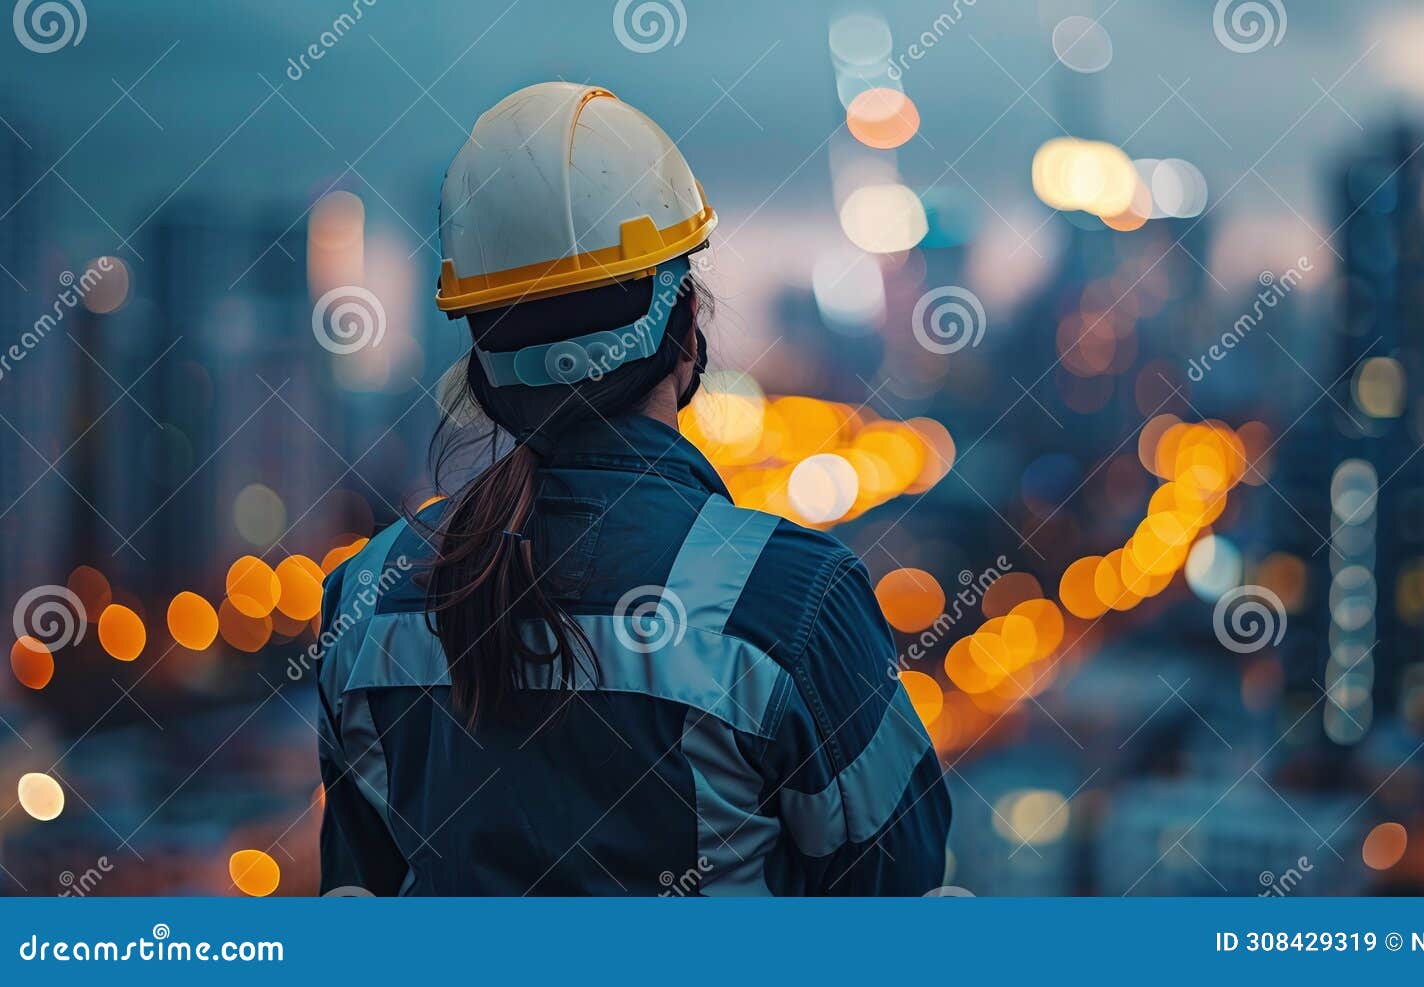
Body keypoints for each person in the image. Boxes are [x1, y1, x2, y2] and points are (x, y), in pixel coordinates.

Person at [315, 82, 951, 896]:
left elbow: (360, 887)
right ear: (687, 334)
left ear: (481, 364)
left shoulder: (365, 598)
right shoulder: (791, 601)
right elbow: (898, 889)